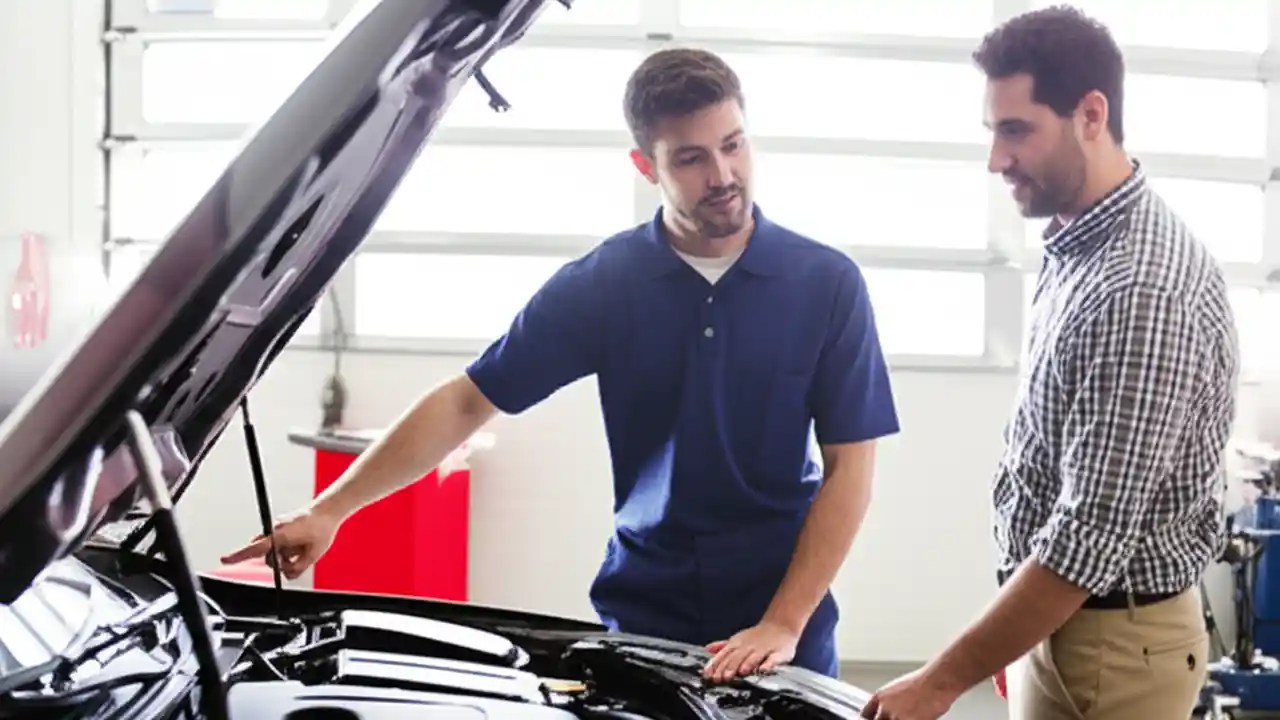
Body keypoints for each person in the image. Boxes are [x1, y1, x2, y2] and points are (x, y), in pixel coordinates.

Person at [222, 47, 900, 682]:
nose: (722, 176)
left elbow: (850, 470)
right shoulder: (606, 284)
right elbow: (468, 400)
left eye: (733, 145)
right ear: (646, 166)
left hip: (785, 619)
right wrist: (331, 510)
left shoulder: (826, 283)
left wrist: (783, 622)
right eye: (692, 158)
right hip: (645, 615)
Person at [862, 6, 1239, 720]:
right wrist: (1014, 641)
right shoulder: (1077, 244)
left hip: (1116, 651)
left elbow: (1086, 537)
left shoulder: (1140, 287)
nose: (995, 159)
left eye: (1016, 130)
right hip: (1068, 624)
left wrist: (945, 679)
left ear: (1090, 114)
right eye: (992, 131)